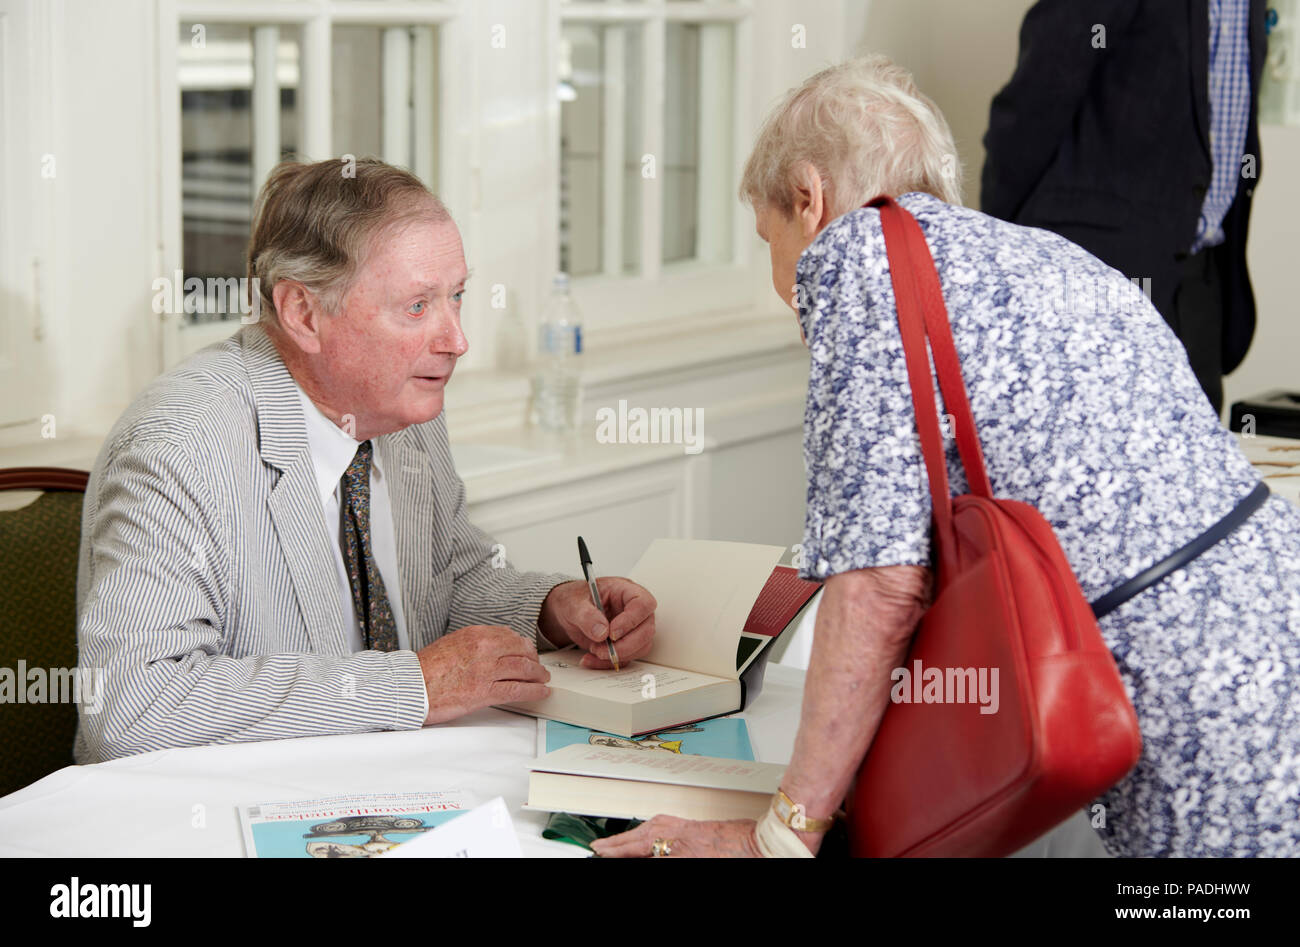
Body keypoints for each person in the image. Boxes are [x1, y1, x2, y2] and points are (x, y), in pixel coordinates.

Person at [593, 55, 1300, 858]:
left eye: (771, 240)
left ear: (809, 199)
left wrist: (780, 840)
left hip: (1197, 709)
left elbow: (879, 587)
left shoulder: (858, 260)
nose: (783, 283)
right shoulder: (1050, 257)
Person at [75, 158, 657, 764]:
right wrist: (409, 687)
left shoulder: (400, 407)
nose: (456, 340)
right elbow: (132, 704)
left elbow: (447, 582)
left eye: (456, 297)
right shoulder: (179, 446)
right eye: (416, 307)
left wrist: (555, 609)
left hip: (380, 787)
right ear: (303, 313)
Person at [981, 0, 1268, 416]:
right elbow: (1036, 99)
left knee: (1196, 472)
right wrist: (1002, 250)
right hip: (1096, 283)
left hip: (1200, 288)